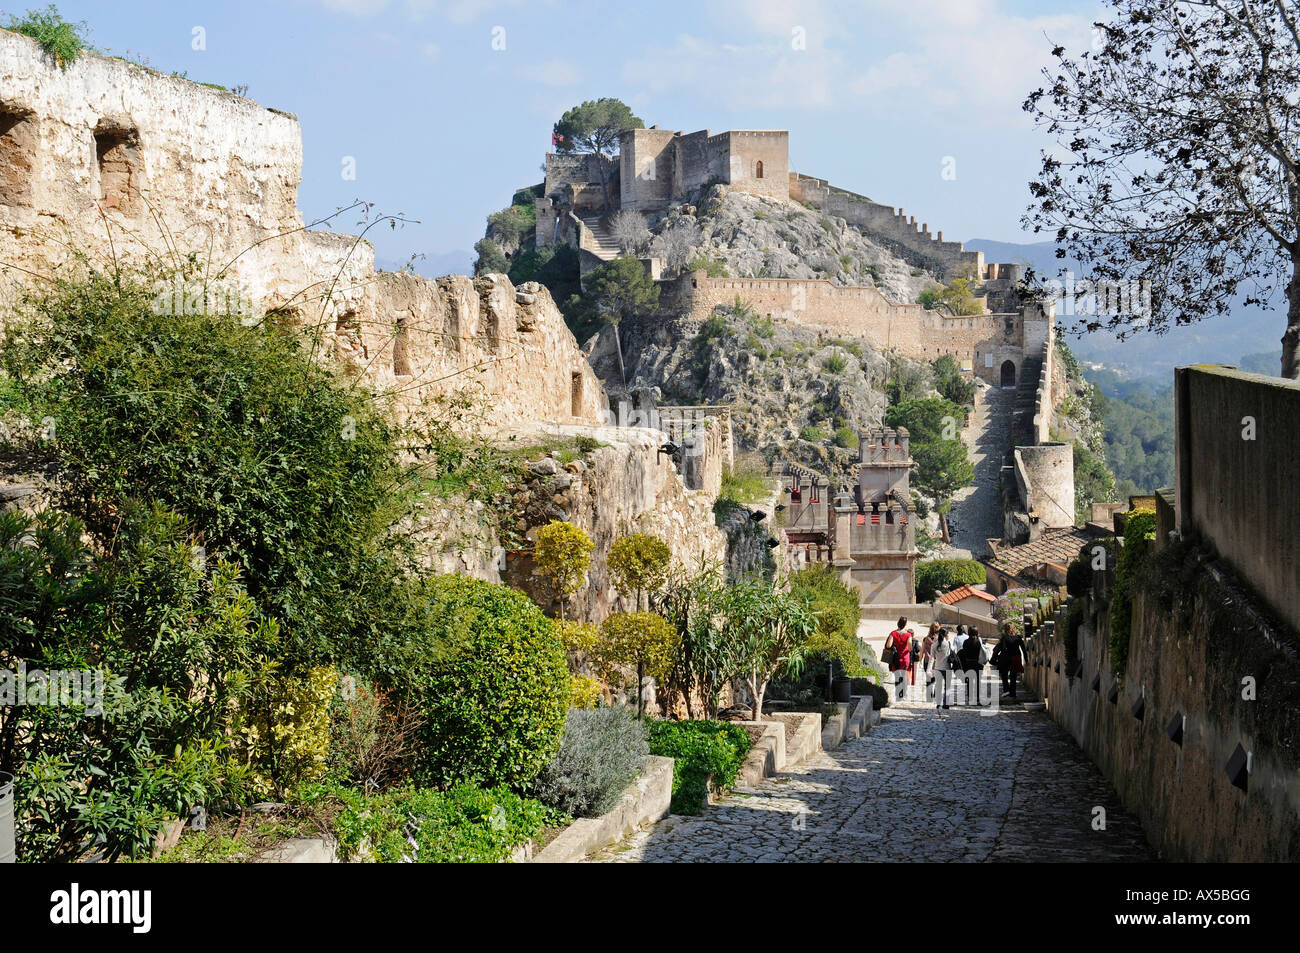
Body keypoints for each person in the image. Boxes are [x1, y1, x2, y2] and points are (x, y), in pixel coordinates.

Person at [992, 624, 1028, 700]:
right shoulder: (1018, 638)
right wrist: (1026, 659)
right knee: (1013, 676)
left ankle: (1006, 689)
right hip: (1015, 658)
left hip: (1005, 658)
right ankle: (1013, 693)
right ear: (1014, 629)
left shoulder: (1004, 638)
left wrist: (993, 659)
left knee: (1004, 674)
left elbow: (997, 649)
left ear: (1005, 630)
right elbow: (1023, 649)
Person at [885, 617, 912, 700]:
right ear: (905, 624)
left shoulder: (893, 633)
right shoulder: (908, 635)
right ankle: (903, 694)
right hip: (905, 658)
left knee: (897, 675)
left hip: (896, 658)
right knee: (904, 675)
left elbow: (888, 645)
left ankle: (898, 694)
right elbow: (910, 648)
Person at [959, 630, 986, 706]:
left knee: (969, 681)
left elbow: (964, 652)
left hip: (969, 663)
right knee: (978, 681)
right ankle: (977, 699)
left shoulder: (966, 642)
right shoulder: (979, 642)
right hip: (978, 663)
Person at [931, 626, 955, 709]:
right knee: (947, 686)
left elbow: (931, 658)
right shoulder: (948, 644)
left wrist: (929, 670)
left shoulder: (934, 644)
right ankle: (946, 704)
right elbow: (951, 654)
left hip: (937, 667)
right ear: (946, 635)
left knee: (938, 686)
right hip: (947, 668)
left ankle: (938, 704)